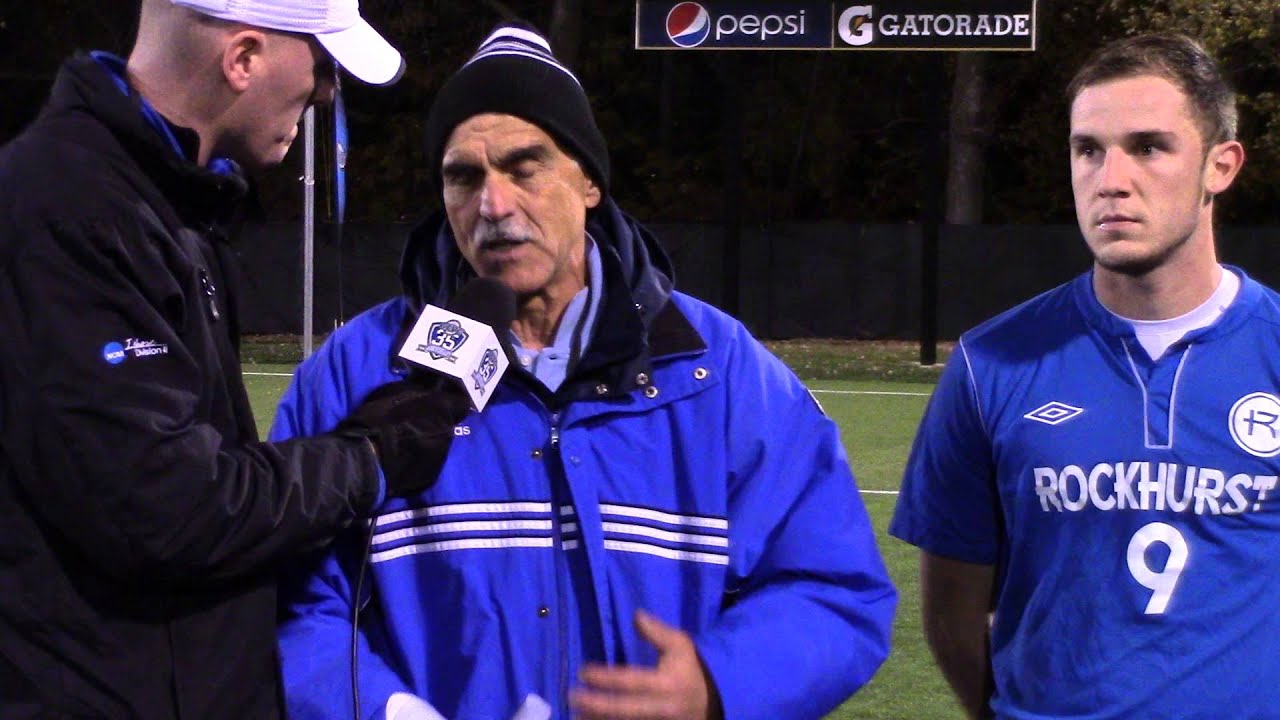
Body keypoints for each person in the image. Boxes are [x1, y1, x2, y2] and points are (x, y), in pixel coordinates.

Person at [273, 22, 897, 720]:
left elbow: (832, 586)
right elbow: (288, 604)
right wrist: (388, 712)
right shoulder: (353, 376)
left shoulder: (719, 373)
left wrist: (721, 683)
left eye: (524, 166)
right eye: (464, 176)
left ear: (590, 181)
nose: (494, 205)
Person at [0, 1, 469, 717]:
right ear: (243, 58)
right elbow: (168, 509)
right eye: (320, 64)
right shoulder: (70, 208)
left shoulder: (161, 201)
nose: (325, 91)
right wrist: (368, 459)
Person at [890, 33, 1269, 719]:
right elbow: (950, 610)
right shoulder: (991, 363)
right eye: (1088, 149)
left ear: (1222, 165)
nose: (1111, 179)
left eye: (1149, 147)